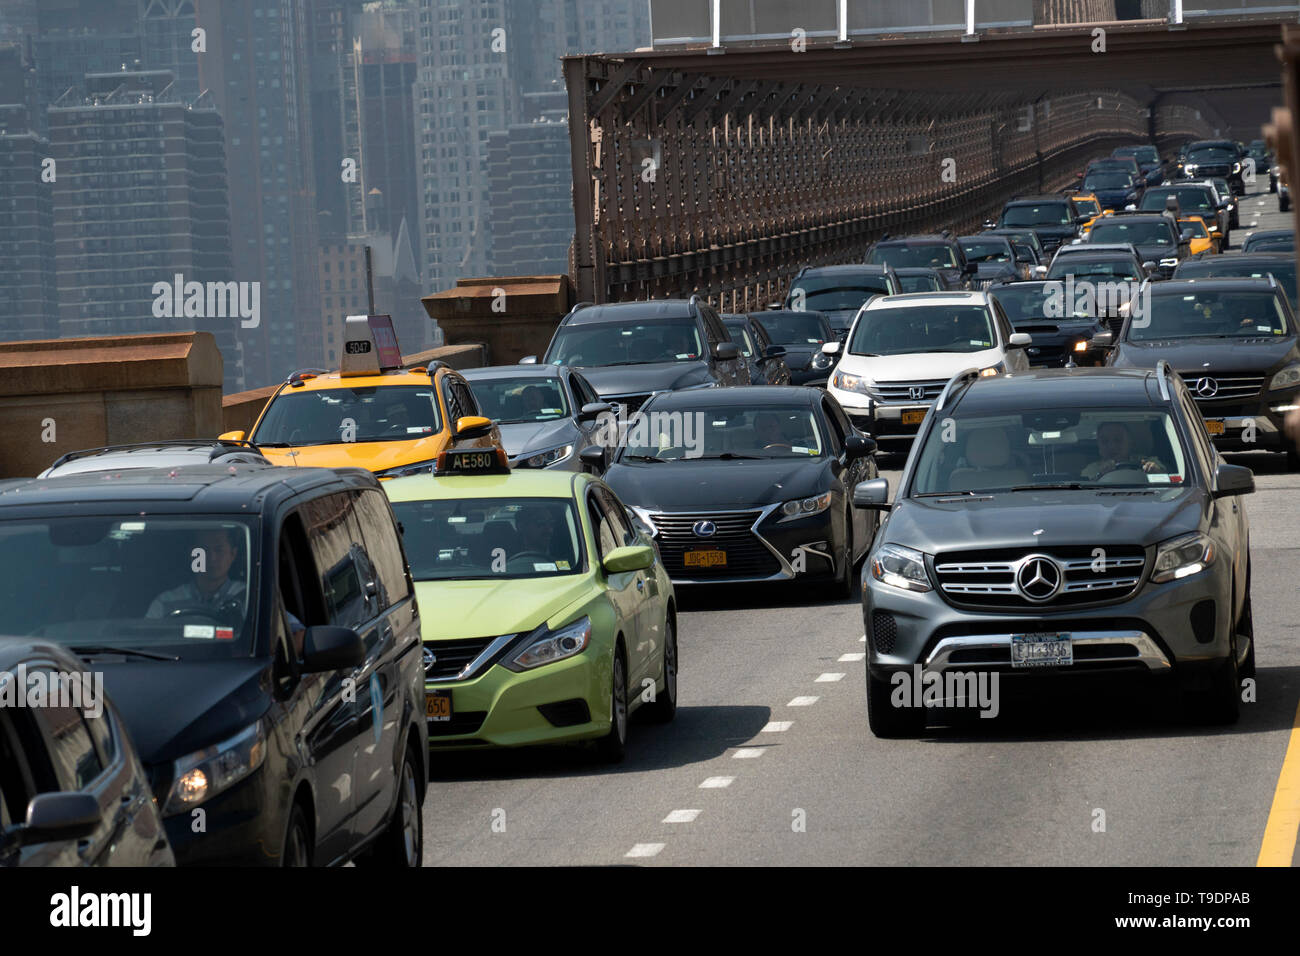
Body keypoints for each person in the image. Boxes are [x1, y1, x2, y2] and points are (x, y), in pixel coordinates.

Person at [147, 527, 246, 619]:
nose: (211, 558)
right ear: (192, 555)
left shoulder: (248, 598)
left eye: (219, 550)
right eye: (203, 550)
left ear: (233, 554)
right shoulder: (165, 603)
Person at [1083, 421, 1165, 479]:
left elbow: (1169, 485)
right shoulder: (1092, 469)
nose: (1112, 446)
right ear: (1098, 445)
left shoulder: (1148, 462)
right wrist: (1100, 475)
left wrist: (1157, 473)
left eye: (1118, 440)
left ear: (1130, 442)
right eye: (1104, 441)